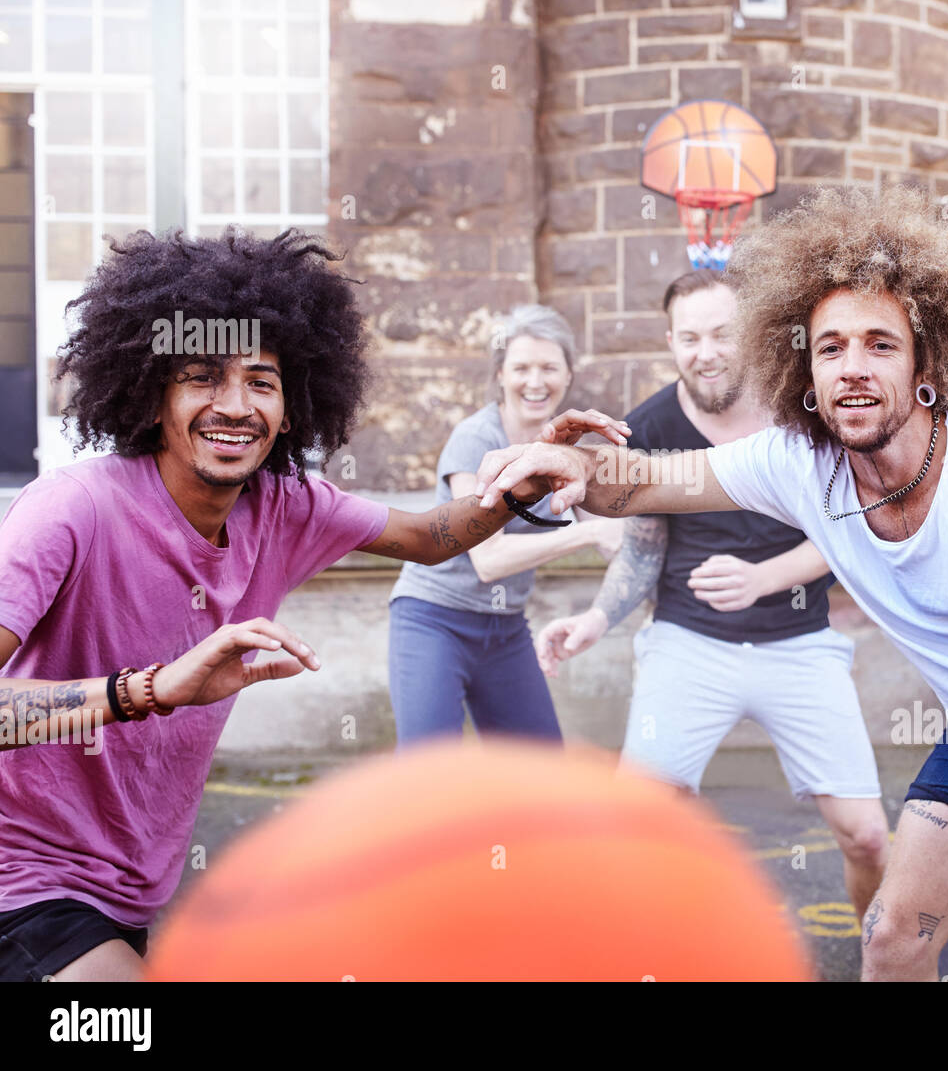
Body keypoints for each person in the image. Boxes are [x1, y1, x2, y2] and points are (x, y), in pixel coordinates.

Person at [475, 185, 948, 983]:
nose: (852, 368)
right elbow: (640, 481)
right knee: (890, 942)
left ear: (927, 365)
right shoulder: (796, 463)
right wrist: (568, 463)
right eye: (830, 347)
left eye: (881, 344)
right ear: (803, 372)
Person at [0, 229, 624, 982]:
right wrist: (149, 690)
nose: (235, 406)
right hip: (22, 881)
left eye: (261, 382)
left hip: (127, 896)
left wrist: (524, 480)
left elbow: (430, 536)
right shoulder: (71, 509)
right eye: (202, 378)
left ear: (291, 410)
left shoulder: (287, 506)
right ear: (152, 394)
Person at [534, 269, 888, 921]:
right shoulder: (645, 428)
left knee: (867, 837)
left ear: (749, 332)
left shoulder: (804, 414)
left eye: (723, 334)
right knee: (636, 826)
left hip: (799, 643)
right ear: (671, 341)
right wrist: (598, 619)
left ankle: (886, 956)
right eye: (690, 337)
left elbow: (851, 530)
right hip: (688, 644)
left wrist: (765, 578)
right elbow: (643, 550)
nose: (707, 352)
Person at [387, 305, 622, 744]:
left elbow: (616, 535)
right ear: (500, 375)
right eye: (521, 368)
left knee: (539, 768)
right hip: (434, 620)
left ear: (568, 374)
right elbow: (489, 560)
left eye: (549, 368)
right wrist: (589, 534)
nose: (535, 381)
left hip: (506, 626)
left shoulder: (569, 448)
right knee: (430, 769)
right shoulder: (477, 438)